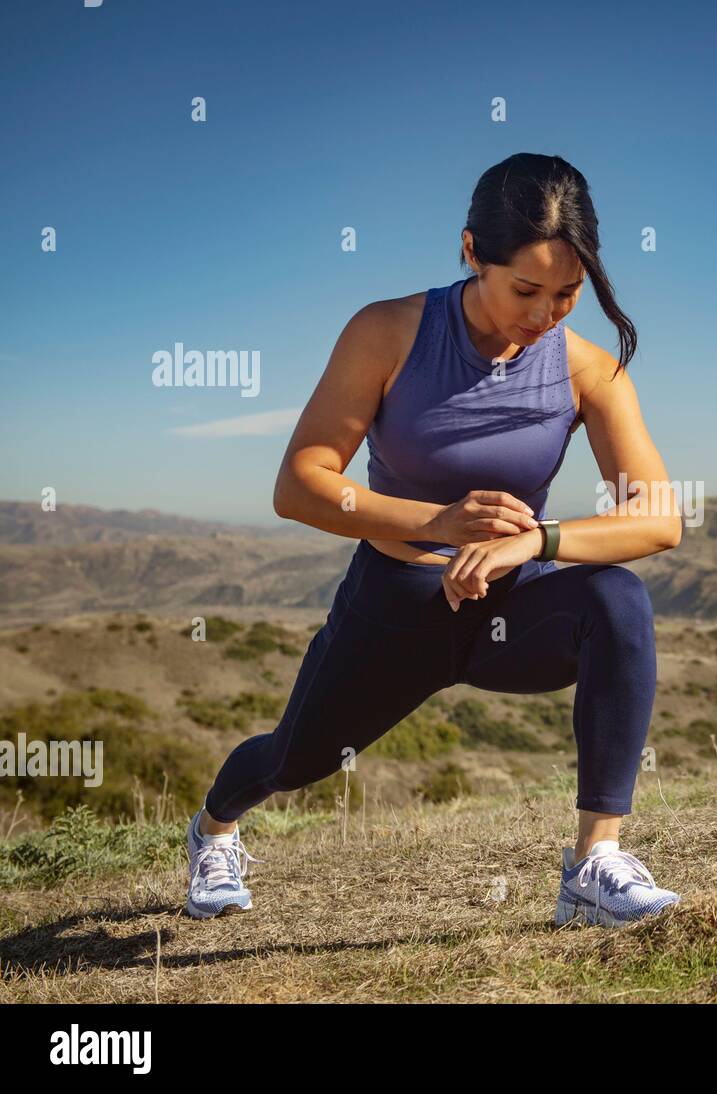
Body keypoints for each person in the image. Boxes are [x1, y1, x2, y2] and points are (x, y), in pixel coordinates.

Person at [184, 153, 683, 929]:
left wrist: (537, 541)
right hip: (398, 604)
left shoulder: (587, 369)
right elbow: (301, 482)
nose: (545, 314)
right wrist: (436, 524)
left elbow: (660, 518)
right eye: (525, 290)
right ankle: (214, 830)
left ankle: (593, 864)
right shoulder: (388, 332)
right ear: (470, 251)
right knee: (294, 759)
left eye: (567, 294)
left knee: (616, 598)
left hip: (509, 607)